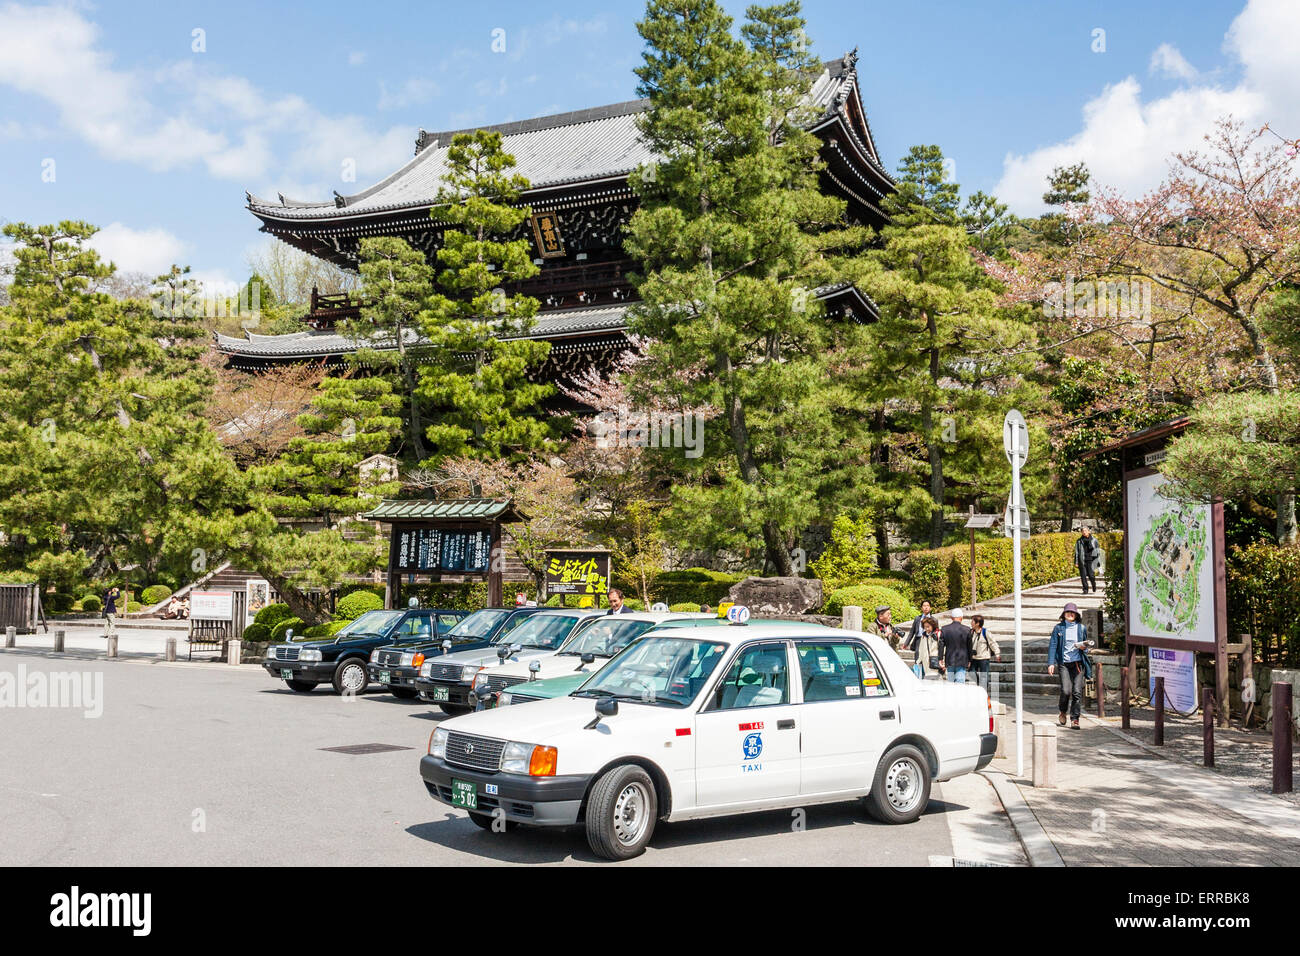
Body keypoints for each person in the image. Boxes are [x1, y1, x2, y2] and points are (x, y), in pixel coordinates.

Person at [1047, 601, 1093, 729]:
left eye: (1073, 612)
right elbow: (1053, 645)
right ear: (1064, 614)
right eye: (1068, 612)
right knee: (1066, 691)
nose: (1070, 614)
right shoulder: (1058, 628)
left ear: (1076, 615)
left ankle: (1075, 719)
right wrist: (1051, 663)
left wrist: (1084, 647)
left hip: (1078, 663)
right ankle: (1062, 710)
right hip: (1064, 664)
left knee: (1077, 692)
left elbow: (1086, 647)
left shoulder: (1081, 628)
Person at [937, 608, 973, 684]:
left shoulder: (945, 629)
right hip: (962, 659)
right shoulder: (967, 630)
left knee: (950, 683)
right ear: (961, 618)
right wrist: (970, 659)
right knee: (960, 683)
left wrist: (940, 659)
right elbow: (969, 646)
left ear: (951, 618)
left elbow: (941, 645)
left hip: (950, 659)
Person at [969, 613, 1001, 691]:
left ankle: (984, 691)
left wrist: (997, 654)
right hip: (973, 658)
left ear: (978, 623)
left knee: (984, 675)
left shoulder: (985, 632)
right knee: (971, 672)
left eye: (973, 622)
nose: (971, 623)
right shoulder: (971, 632)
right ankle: (978, 686)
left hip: (984, 658)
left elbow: (993, 643)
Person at [1075, 527, 1101, 594]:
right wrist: (1076, 562)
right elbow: (1077, 552)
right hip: (1082, 560)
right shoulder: (1079, 541)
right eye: (1083, 531)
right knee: (1083, 576)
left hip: (1091, 560)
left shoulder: (1094, 540)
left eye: (1085, 531)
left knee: (1091, 575)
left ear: (1088, 531)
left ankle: (1093, 584)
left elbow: (1097, 551)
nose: (1084, 532)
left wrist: (1098, 561)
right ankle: (1085, 589)